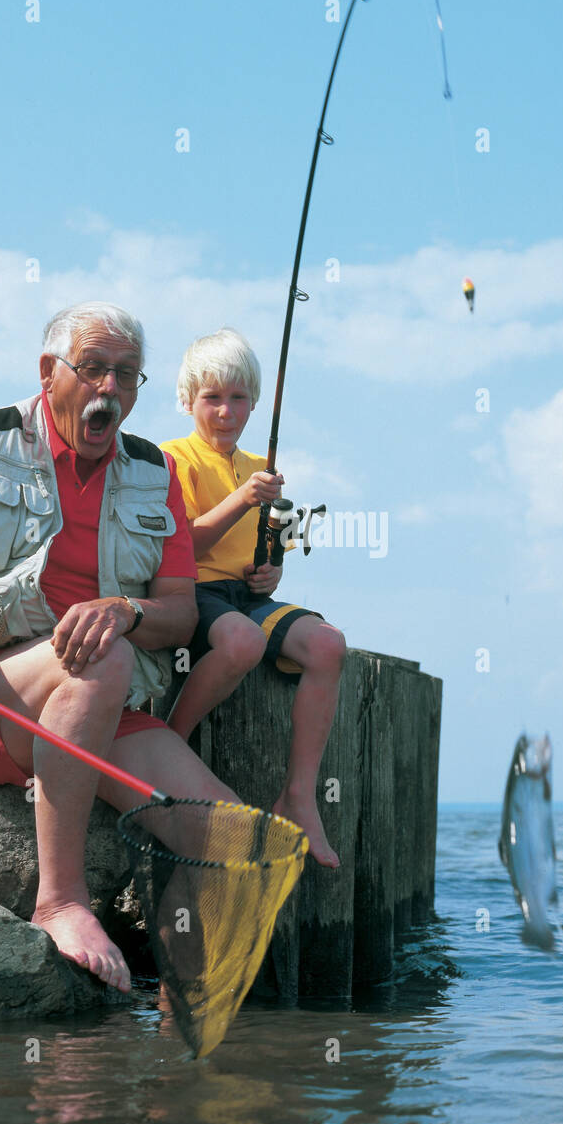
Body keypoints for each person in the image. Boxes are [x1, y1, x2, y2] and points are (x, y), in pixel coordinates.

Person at [0, 302, 244, 994]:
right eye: (92, 369)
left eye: (125, 376)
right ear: (48, 373)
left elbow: (181, 616)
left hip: (102, 708)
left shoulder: (157, 475)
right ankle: (61, 901)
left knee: (226, 842)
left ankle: (178, 1002)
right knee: (105, 658)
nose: (108, 390)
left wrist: (126, 609)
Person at [161, 328, 345, 869]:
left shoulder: (257, 469)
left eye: (238, 398)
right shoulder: (171, 460)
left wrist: (272, 574)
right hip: (192, 591)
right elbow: (184, 544)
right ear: (188, 400)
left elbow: (275, 543)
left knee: (329, 646)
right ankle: (172, 740)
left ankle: (299, 797)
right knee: (241, 642)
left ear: (255, 402)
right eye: (212, 398)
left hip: (245, 595)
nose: (225, 411)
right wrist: (243, 498)